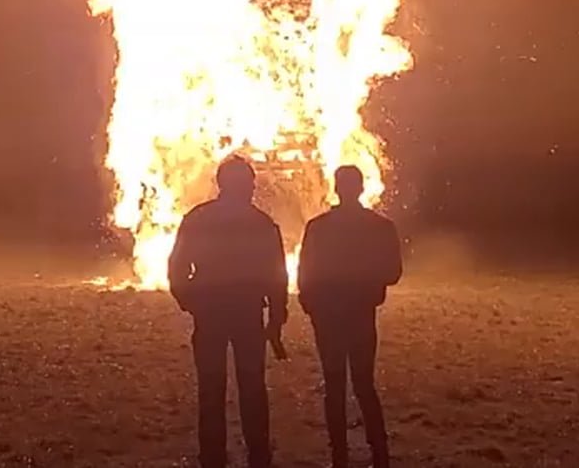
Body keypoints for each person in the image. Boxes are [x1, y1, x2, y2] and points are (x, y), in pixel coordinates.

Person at [168, 156, 289, 468]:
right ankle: (259, 456)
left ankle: (212, 458)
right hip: (247, 315)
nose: (252, 188)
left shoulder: (198, 219)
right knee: (252, 388)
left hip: (209, 314)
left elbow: (177, 268)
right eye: (249, 183)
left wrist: (191, 302)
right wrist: (276, 319)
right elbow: (277, 276)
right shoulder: (261, 223)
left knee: (211, 389)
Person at [298, 165, 403, 468]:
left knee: (334, 385)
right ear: (360, 188)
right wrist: (368, 284)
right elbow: (393, 272)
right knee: (363, 384)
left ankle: (339, 456)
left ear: (336, 188)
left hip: (329, 315)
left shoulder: (318, 227)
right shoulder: (380, 227)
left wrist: (311, 302)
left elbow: (305, 272)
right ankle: (378, 453)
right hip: (359, 313)